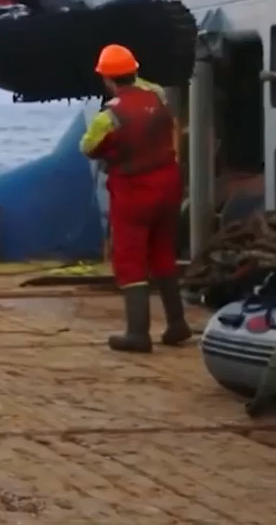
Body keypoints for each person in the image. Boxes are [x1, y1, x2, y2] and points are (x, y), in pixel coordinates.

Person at [79, 44, 192, 353]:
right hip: (168, 184)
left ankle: (137, 333)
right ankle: (177, 323)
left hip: (133, 191)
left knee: (130, 258)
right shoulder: (157, 94)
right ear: (135, 70)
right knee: (163, 253)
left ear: (106, 78)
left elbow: (87, 147)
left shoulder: (108, 116)